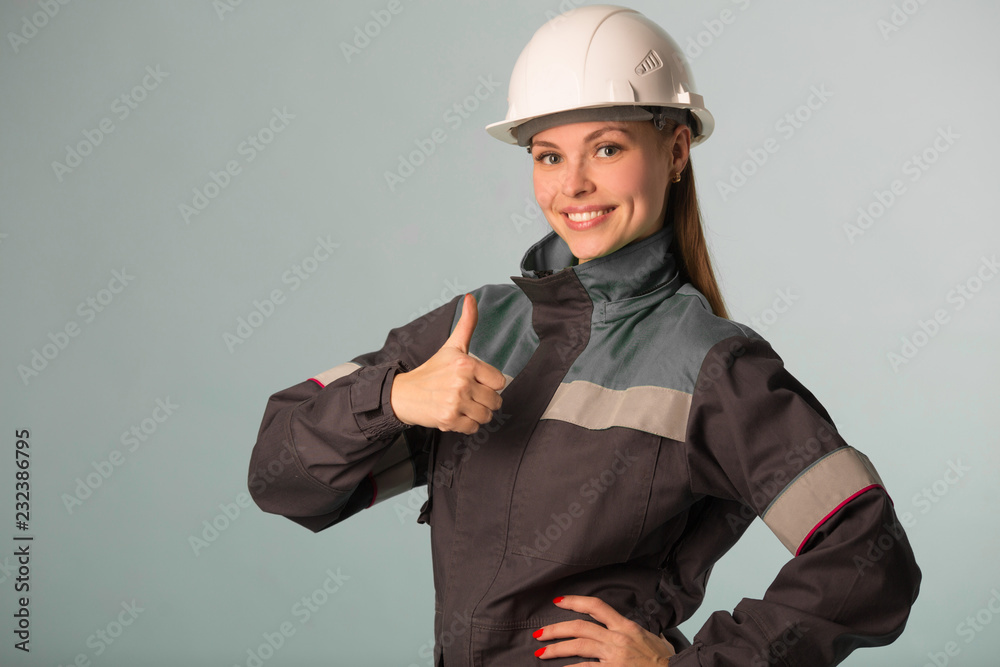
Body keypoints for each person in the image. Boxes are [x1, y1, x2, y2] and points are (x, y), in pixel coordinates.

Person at [248, 5, 921, 665]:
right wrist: (391, 399)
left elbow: (871, 554)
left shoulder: (712, 365)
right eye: (547, 156)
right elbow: (279, 477)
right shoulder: (476, 328)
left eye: (606, 147)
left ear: (677, 150)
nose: (572, 184)